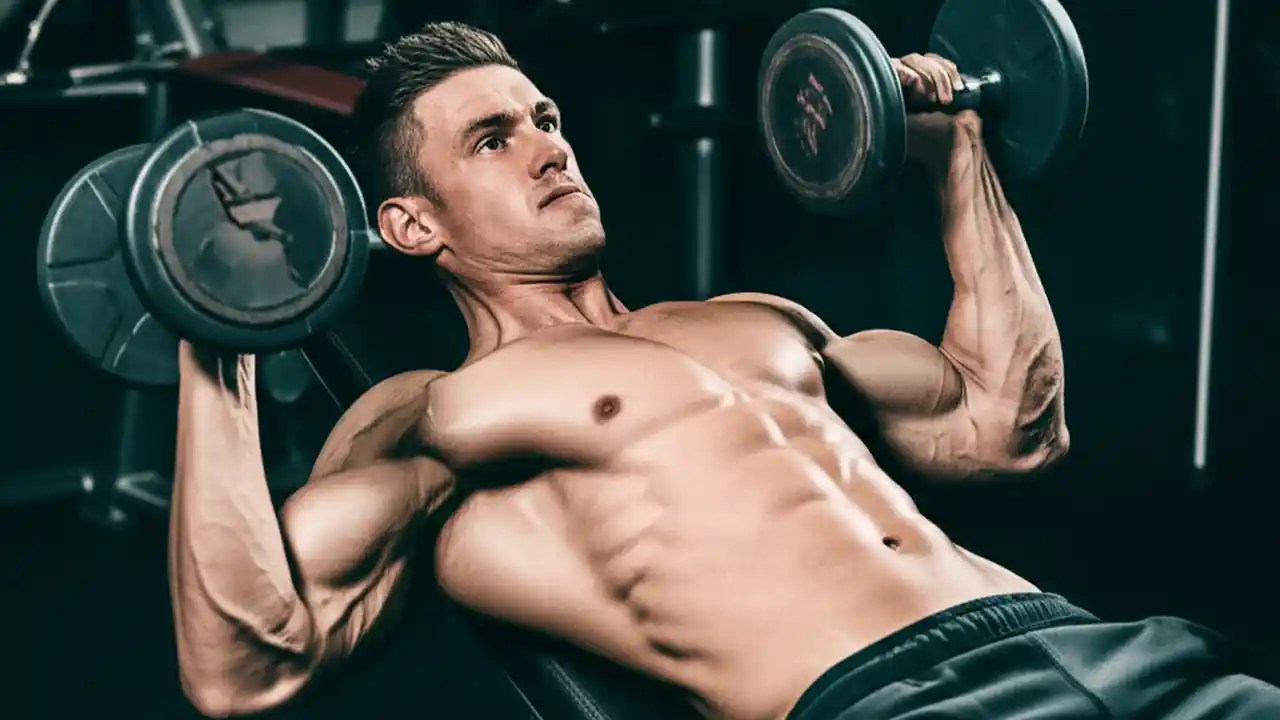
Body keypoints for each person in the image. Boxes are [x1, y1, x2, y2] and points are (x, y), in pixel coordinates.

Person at [167, 20, 1280, 720]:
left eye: (544, 118)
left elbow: (1008, 426)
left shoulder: (750, 321)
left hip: (1090, 640)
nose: (551, 145)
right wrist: (212, 329)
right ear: (410, 226)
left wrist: (956, 153)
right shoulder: (435, 409)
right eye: (491, 140)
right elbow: (245, 667)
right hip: (884, 698)